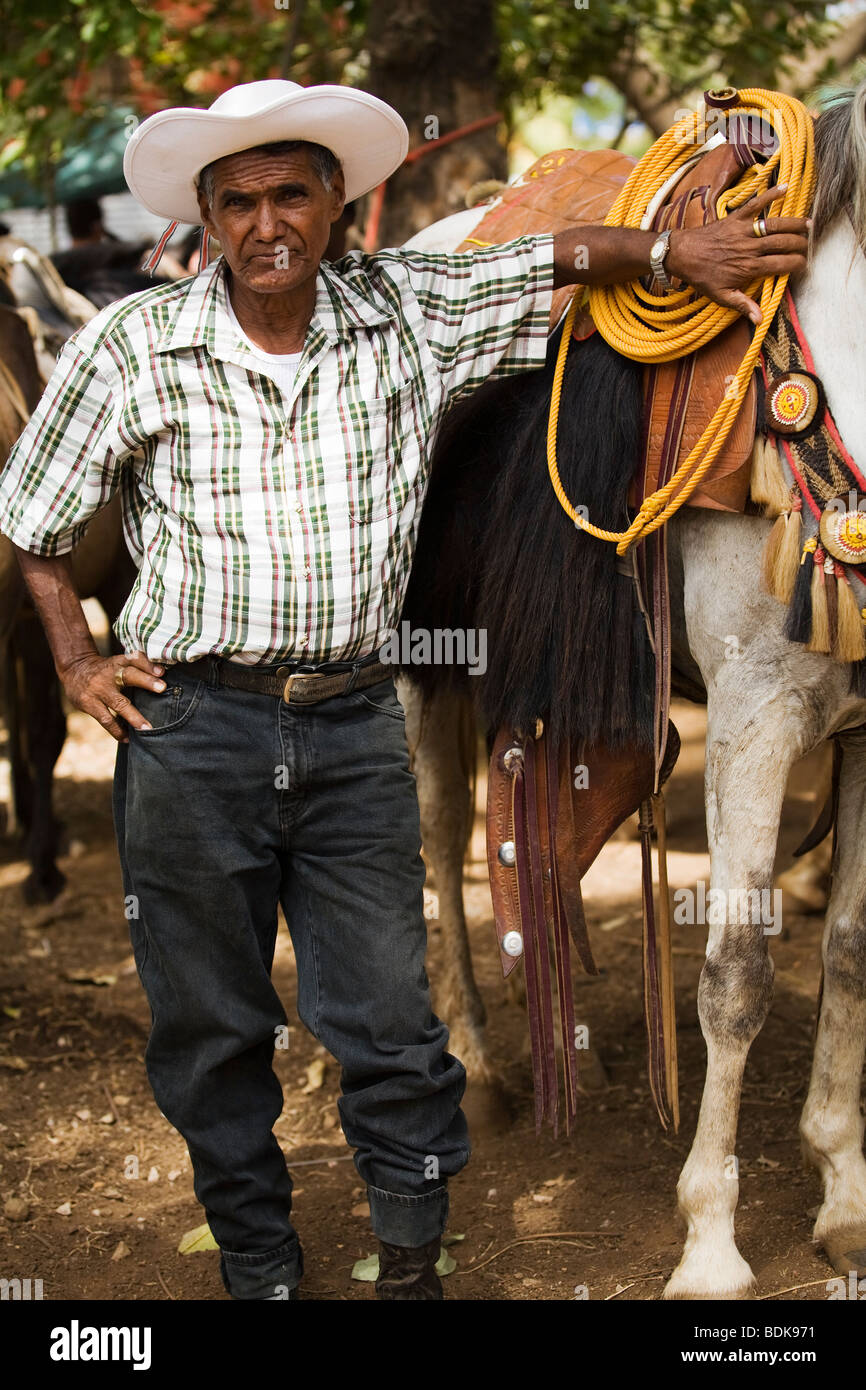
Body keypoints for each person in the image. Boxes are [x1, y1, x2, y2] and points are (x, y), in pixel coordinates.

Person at [0, 79, 809, 1301]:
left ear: (335, 203)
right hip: (187, 728)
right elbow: (34, 519)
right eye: (238, 202)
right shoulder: (131, 344)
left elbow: (556, 252)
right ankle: (258, 1263)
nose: (267, 223)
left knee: (389, 1023)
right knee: (212, 1028)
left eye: (290, 193)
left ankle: (410, 1266)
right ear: (210, 220)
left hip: (350, 724)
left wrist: (665, 247)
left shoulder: (410, 308)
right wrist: (74, 657)